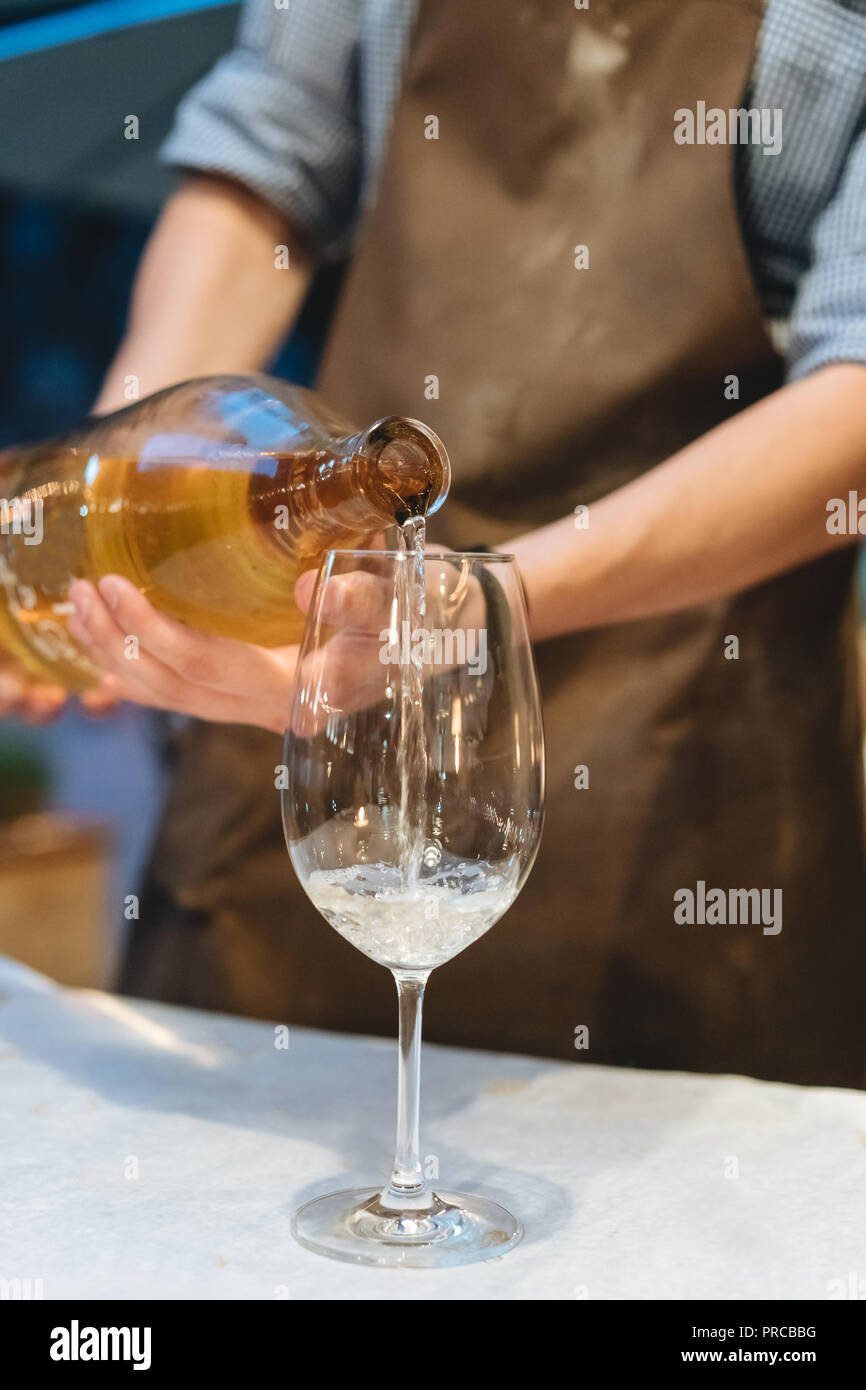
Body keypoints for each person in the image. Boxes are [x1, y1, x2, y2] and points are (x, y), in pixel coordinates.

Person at [9, 0, 866, 1085]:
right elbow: (265, 156)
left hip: (684, 744)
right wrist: (108, 488)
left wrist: (471, 604)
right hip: (313, 663)